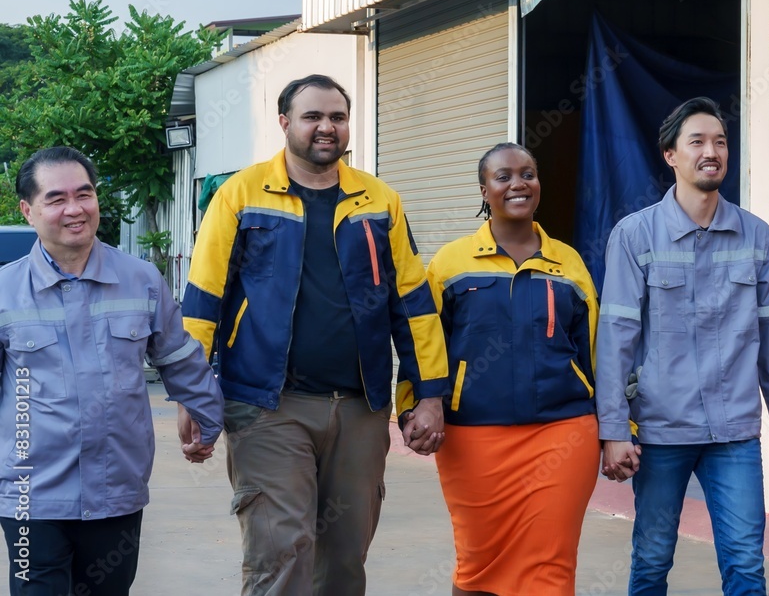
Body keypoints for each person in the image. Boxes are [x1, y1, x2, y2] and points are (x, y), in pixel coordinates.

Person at [180, 74, 450, 595]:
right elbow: (203, 299)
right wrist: (193, 394)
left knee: (346, 561)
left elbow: (412, 304)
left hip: (360, 407)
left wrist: (429, 395)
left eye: (337, 117)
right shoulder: (242, 193)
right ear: (285, 123)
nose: (327, 127)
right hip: (267, 406)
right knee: (280, 552)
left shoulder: (379, 200)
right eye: (312, 117)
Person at [596, 97, 769, 595]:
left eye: (721, 142)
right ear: (670, 155)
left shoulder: (755, 236)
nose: (712, 152)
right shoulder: (635, 235)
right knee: (651, 561)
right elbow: (615, 339)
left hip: (733, 434)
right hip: (662, 430)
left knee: (747, 565)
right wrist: (613, 430)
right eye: (698, 141)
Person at [0, 146, 224, 596]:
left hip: (116, 484)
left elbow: (177, 355)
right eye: (56, 198)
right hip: (30, 492)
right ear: (28, 210)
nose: (74, 209)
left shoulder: (141, 279)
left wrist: (207, 419)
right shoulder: (6, 290)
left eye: (84, 194)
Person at [425, 142, 601, 595]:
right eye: (503, 176)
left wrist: (622, 425)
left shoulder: (569, 264)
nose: (518, 184)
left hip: (562, 433)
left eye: (528, 174)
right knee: (477, 566)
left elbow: (598, 352)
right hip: (472, 437)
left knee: (550, 567)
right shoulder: (450, 264)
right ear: (484, 189)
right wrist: (414, 409)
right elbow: (425, 349)